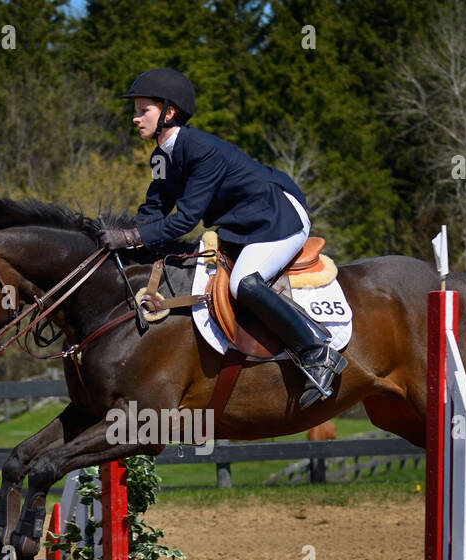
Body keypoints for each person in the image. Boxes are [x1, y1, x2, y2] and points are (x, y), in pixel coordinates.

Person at [99, 68, 346, 408]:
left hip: (276, 218)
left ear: (169, 112)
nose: (135, 118)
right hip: (244, 225)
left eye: (144, 110)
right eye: (136, 110)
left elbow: (184, 220)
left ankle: (318, 353)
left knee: (242, 282)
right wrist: (125, 244)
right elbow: (154, 210)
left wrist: (129, 237)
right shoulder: (161, 156)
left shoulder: (200, 150)